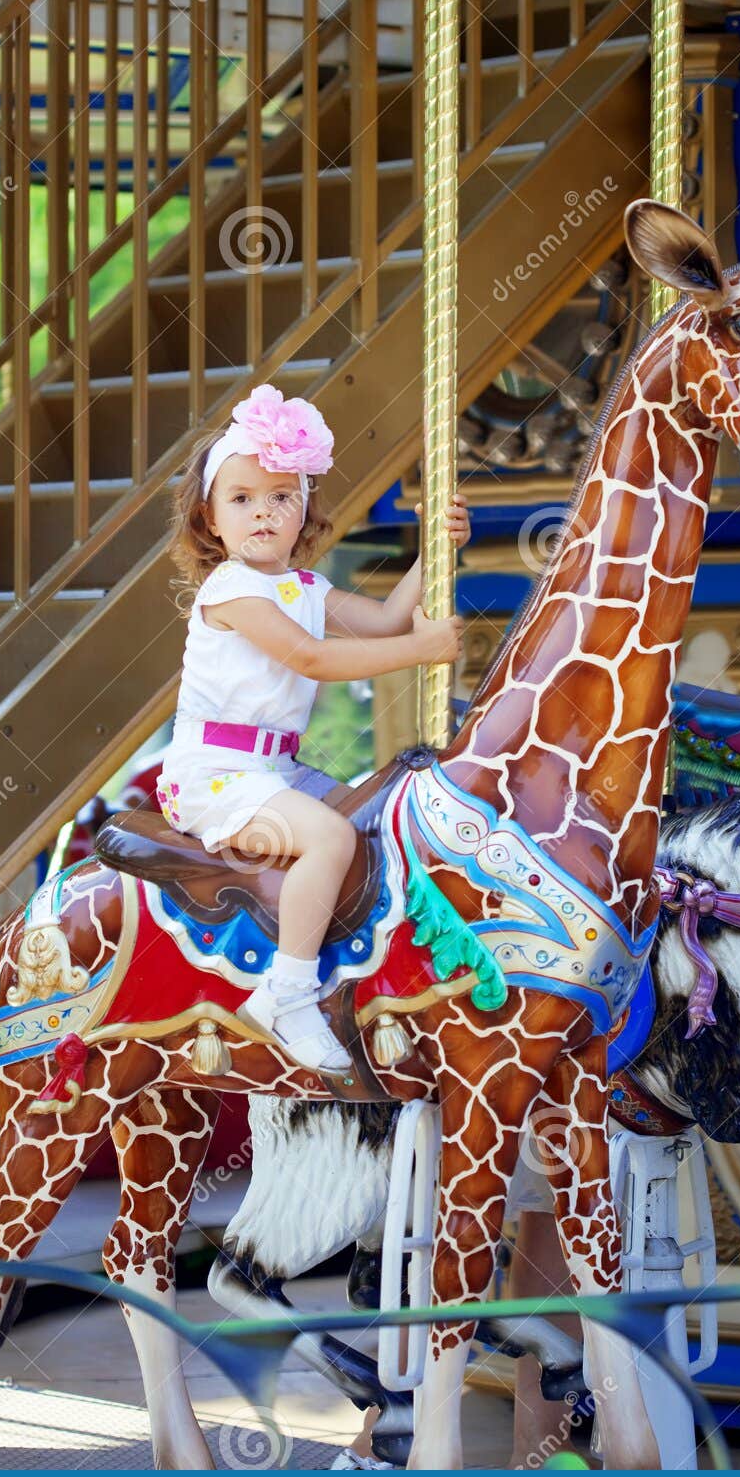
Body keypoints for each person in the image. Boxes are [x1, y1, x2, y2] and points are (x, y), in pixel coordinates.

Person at [157, 383, 469, 1074]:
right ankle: (286, 992)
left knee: (377, 821)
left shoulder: (301, 588)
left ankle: (366, 978)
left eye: (281, 496)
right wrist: (421, 651)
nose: (262, 511)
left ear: (304, 511)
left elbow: (385, 621)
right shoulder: (231, 589)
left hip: (275, 770)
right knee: (328, 836)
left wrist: (433, 555)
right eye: (241, 499)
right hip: (213, 775)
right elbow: (310, 657)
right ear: (210, 520)